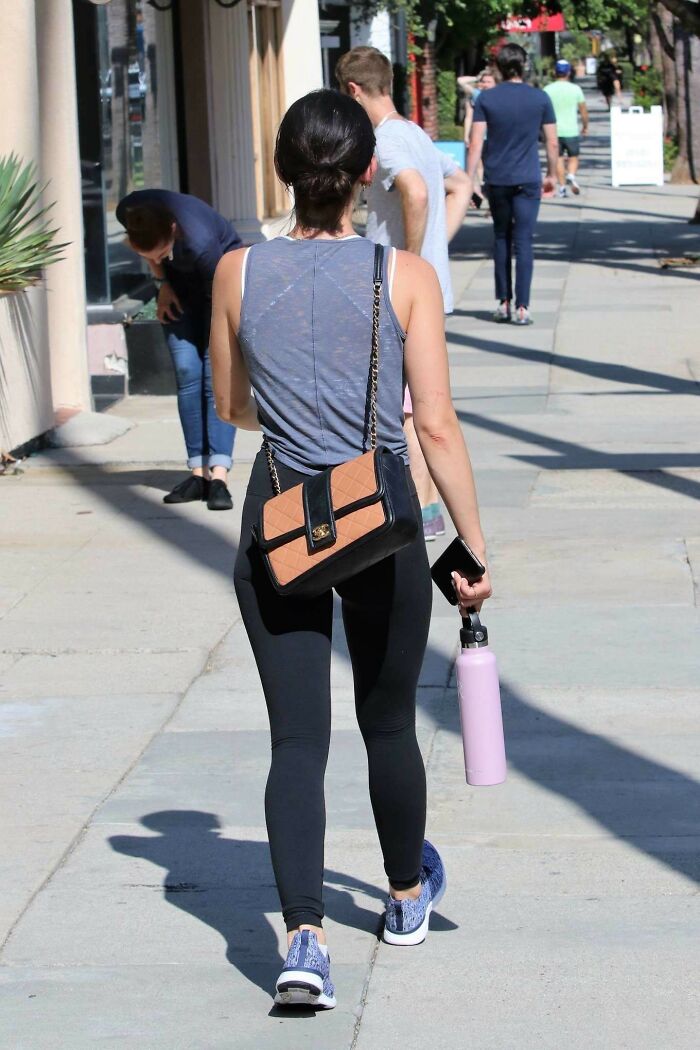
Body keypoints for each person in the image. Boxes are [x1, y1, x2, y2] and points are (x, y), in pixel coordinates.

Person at [210, 89, 491, 1009]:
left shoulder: (237, 273)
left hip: (280, 512)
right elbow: (438, 426)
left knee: (297, 738)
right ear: (367, 172)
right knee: (388, 722)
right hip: (380, 519)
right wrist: (473, 548)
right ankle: (405, 898)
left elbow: (232, 406)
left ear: (284, 171)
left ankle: (301, 941)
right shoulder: (403, 275)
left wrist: (292, 412)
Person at [336, 45, 471, 541]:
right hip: (426, 293)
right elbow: (461, 185)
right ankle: (422, 508)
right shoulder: (414, 132)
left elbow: (415, 192)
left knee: (406, 412)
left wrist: (412, 260)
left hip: (397, 295)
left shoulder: (386, 141)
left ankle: (423, 511)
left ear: (352, 90)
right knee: (417, 407)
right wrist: (434, 249)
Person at [117, 189, 241, 509]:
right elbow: (151, 253)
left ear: (172, 229)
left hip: (220, 291)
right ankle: (198, 474)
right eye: (150, 256)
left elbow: (224, 299)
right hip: (178, 291)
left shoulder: (202, 242)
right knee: (187, 371)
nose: (155, 260)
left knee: (214, 376)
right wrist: (162, 284)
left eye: (161, 253)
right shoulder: (130, 211)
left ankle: (219, 476)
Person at [466, 43, 558, 326]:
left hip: (498, 178)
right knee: (524, 242)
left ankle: (503, 302)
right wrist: (553, 174)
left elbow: (475, 143)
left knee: (502, 238)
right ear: (524, 65)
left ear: (499, 67)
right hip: (529, 178)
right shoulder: (540, 98)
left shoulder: (486, 99)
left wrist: (470, 181)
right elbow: (552, 142)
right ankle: (523, 308)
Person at [544, 59, 589, 197]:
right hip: (571, 130)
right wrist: (585, 126)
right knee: (573, 156)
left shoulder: (547, 89)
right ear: (569, 72)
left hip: (553, 131)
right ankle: (571, 175)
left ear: (554, 72)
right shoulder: (575, 89)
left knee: (558, 159)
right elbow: (583, 110)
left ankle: (562, 187)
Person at [458, 67, 496, 208]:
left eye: (489, 81)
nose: (485, 84)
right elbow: (460, 81)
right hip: (480, 136)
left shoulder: (499, 96)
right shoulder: (477, 94)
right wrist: (477, 78)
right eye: (483, 81)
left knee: (490, 167)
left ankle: (486, 192)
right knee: (479, 164)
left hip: (494, 137)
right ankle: (481, 188)